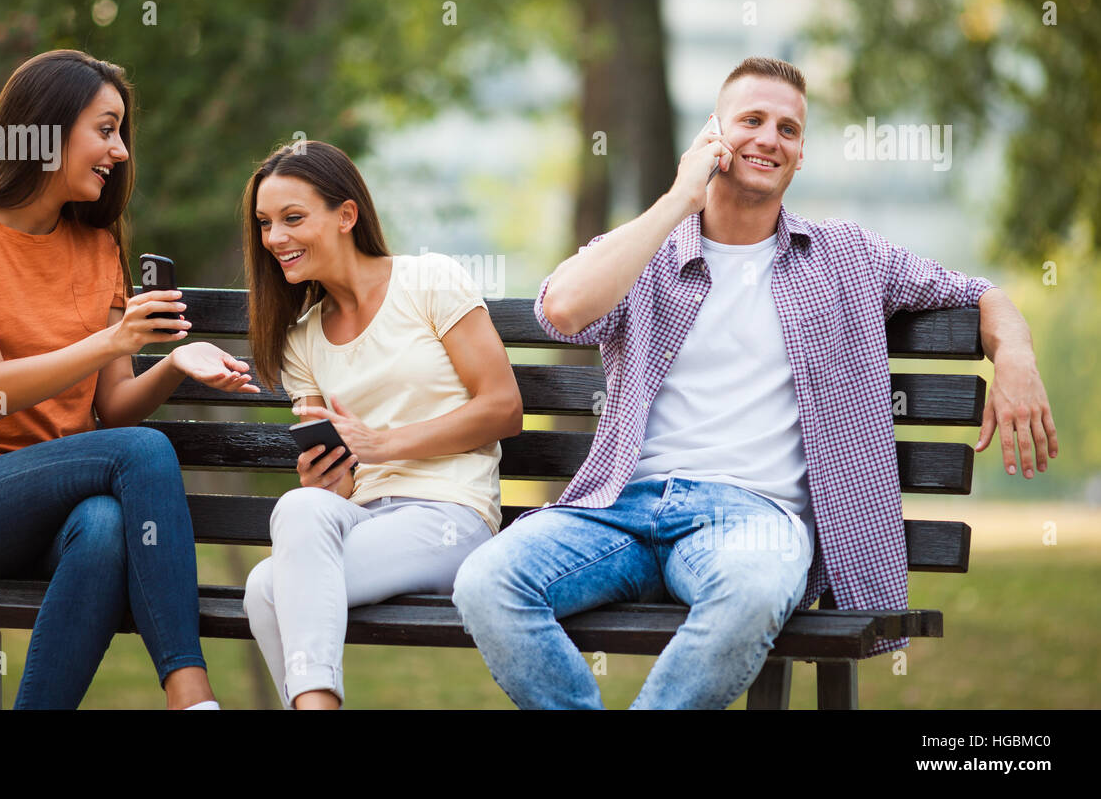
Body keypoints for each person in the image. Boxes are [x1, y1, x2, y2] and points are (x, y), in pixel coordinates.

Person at [452, 56, 1058, 709]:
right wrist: (678, 199)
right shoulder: (645, 248)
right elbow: (563, 310)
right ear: (712, 136)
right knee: (486, 582)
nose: (770, 138)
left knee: (754, 591)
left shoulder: (848, 255)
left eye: (789, 129)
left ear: (800, 157)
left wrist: (1016, 357)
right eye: (752, 120)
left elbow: (978, 292)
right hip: (619, 510)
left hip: (752, 521)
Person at [0, 49, 261, 709]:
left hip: (61, 514)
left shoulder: (99, 249)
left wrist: (171, 368)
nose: (120, 151)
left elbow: (115, 411)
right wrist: (115, 337)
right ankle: (192, 694)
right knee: (144, 454)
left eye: (121, 132)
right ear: (46, 128)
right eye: (105, 128)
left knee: (102, 527)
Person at [240, 140, 522, 709]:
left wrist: (383, 443)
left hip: (449, 517)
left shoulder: (428, 281)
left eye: (293, 218)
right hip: (362, 518)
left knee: (266, 589)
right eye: (266, 224)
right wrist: (329, 476)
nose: (275, 238)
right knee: (296, 513)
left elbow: (502, 407)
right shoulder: (301, 340)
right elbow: (342, 483)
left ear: (347, 215)